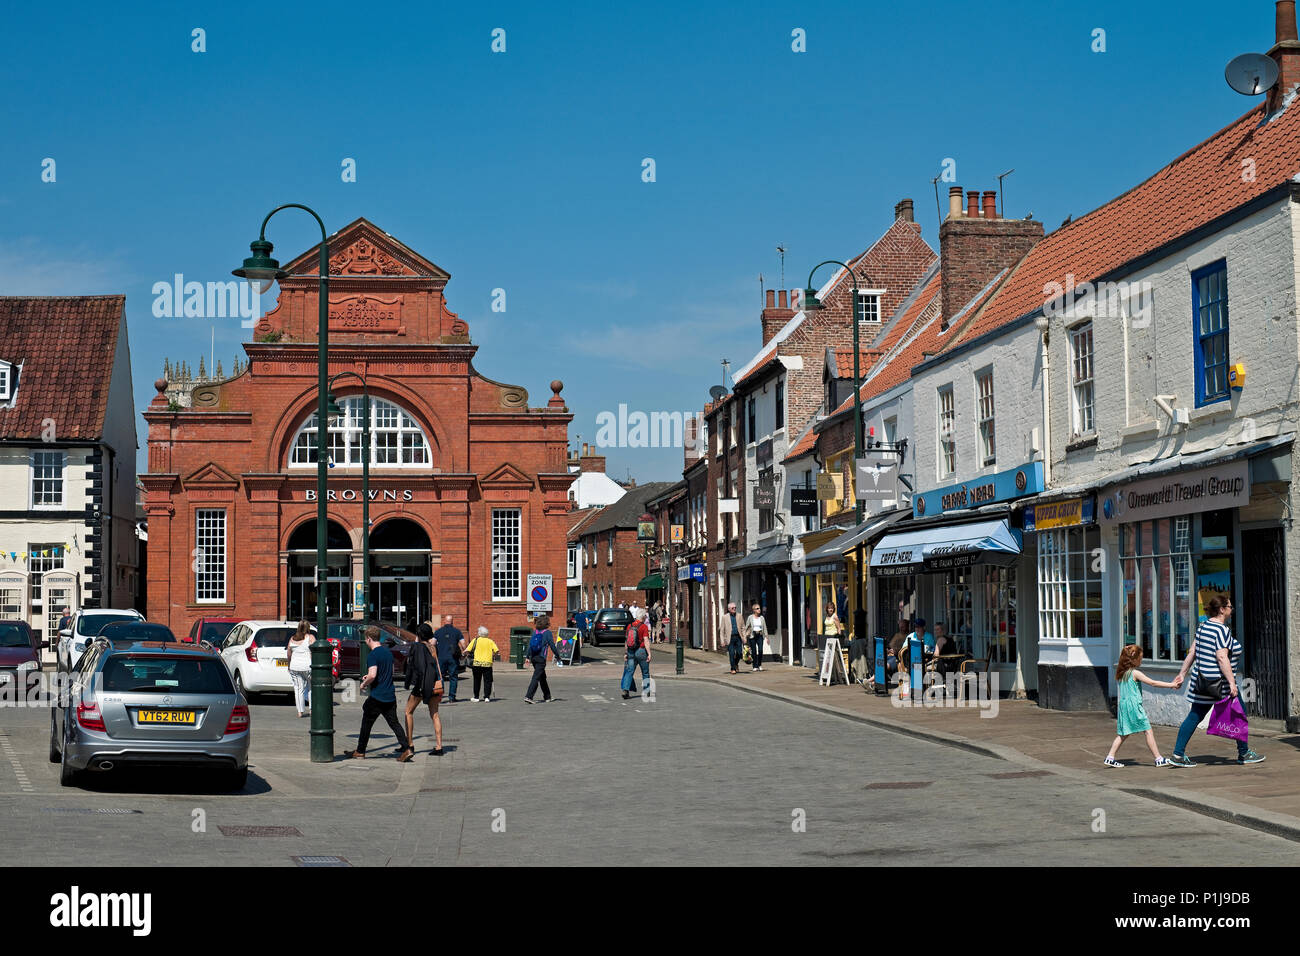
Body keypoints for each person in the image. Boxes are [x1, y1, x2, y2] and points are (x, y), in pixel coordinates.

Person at [1169, 595, 1265, 767]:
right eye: (1229, 606)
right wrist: (1232, 683)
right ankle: (1244, 754)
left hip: (1203, 683)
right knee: (1239, 715)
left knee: (1194, 716)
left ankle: (1177, 754)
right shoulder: (1221, 630)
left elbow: (1192, 652)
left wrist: (1182, 673)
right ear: (1222, 609)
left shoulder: (1203, 627)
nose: (1231, 609)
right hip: (1219, 685)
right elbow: (1221, 657)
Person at [345, 627, 414, 762]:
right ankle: (407, 748)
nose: (365, 641)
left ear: (369, 639)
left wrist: (364, 684)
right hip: (390, 695)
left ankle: (360, 751)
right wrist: (370, 677)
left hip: (378, 696)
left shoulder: (373, 655)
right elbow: (385, 672)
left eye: (366, 639)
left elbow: (373, 674)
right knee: (394, 723)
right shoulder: (387, 653)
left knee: (366, 723)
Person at [1105, 643, 1179, 767]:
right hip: (1134, 706)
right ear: (1134, 660)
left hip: (1123, 706)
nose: (1141, 660)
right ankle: (1158, 758)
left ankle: (1110, 757)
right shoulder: (1134, 673)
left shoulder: (1122, 673)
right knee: (1148, 731)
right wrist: (1171, 685)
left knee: (1123, 733)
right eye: (1141, 658)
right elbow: (1153, 683)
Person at [404, 624, 445, 755]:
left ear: (419, 635)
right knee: (435, 715)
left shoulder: (417, 647)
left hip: (422, 685)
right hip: (434, 685)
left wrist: (410, 682)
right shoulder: (433, 648)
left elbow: (415, 666)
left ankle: (410, 744)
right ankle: (439, 746)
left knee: (408, 712)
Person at [524, 614, 560, 703]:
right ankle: (528, 696)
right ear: (547, 623)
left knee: (542, 677)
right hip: (541, 658)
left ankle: (547, 697)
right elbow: (552, 645)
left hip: (534, 658)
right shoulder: (547, 633)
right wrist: (558, 655)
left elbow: (530, 646)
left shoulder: (535, 632)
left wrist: (528, 656)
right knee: (536, 677)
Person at [286, 619, 315, 718]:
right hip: (308, 667)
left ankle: (300, 712)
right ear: (308, 628)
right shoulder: (310, 637)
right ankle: (311, 710)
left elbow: (289, 654)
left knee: (298, 689)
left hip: (295, 667)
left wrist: (289, 665)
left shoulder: (292, 638)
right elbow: (313, 652)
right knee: (312, 688)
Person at [433, 614, 464, 703]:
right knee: (453, 677)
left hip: (441, 658)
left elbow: (433, 644)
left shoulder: (438, 631)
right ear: (452, 621)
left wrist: (434, 655)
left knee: (440, 677)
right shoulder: (457, 632)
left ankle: (439, 697)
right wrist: (463, 654)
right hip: (453, 658)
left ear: (444, 621)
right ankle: (452, 697)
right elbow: (463, 644)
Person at [621, 607, 652, 699]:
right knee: (645, 672)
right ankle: (646, 691)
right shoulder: (644, 627)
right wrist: (649, 653)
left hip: (631, 651)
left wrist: (626, 653)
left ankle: (625, 690)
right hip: (641, 651)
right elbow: (646, 641)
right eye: (645, 617)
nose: (645, 618)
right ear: (642, 617)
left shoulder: (629, 626)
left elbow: (626, 641)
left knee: (629, 671)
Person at [464, 625, 500, 702]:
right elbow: (497, 651)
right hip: (487, 664)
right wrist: (493, 656)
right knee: (488, 681)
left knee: (477, 680)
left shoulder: (475, 640)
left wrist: (465, 654)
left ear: (479, 633)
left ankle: (476, 697)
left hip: (477, 663)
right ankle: (487, 697)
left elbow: (467, 650)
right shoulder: (490, 641)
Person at [722, 602, 744, 674]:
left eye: (735, 608)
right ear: (729, 609)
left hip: (738, 637)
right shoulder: (725, 617)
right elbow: (722, 630)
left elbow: (743, 627)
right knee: (731, 653)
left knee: (739, 653)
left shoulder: (739, 616)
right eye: (732, 608)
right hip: (730, 638)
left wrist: (744, 637)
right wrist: (723, 640)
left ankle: (735, 663)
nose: (734, 609)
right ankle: (733, 668)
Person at [745, 602, 767, 672]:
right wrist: (745, 636)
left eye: (759, 608)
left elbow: (765, 627)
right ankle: (755, 666)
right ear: (754, 610)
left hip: (760, 635)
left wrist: (767, 636)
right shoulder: (750, 617)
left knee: (760, 650)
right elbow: (747, 626)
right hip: (752, 635)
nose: (759, 610)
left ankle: (759, 665)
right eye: (757, 608)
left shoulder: (762, 618)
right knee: (754, 651)